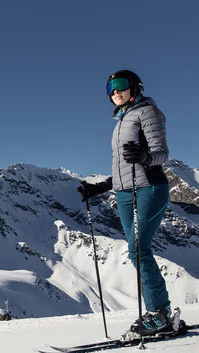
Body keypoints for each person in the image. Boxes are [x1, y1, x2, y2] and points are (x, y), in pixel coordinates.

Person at [77, 69, 173, 336]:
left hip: (149, 187)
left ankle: (160, 313)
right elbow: (123, 165)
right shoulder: (120, 122)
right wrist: (102, 187)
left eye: (120, 85)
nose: (116, 92)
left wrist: (145, 157)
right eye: (111, 89)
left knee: (139, 249)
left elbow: (161, 153)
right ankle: (159, 312)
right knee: (135, 252)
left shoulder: (148, 113)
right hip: (124, 192)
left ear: (135, 87)